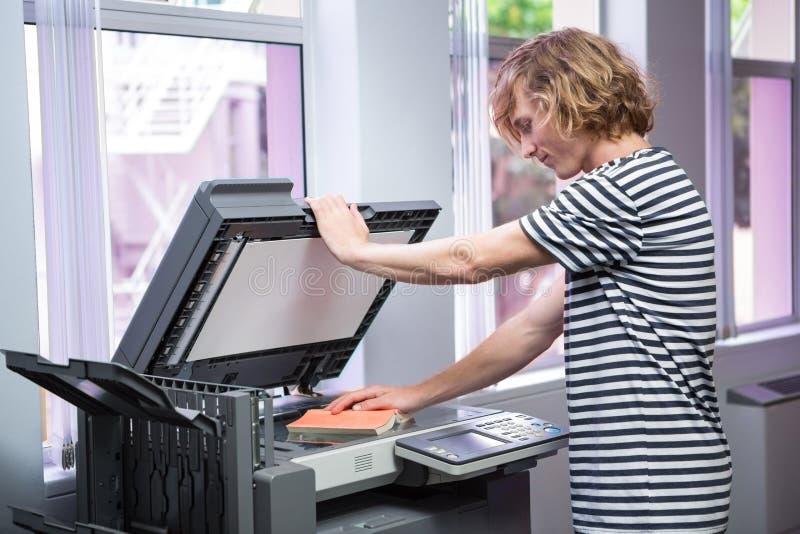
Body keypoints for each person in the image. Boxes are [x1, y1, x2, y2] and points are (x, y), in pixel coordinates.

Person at [306, 27, 731, 534]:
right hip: (653, 478)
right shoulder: (646, 181)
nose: (527, 149)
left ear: (570, 95)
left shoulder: (621, 190)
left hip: (651, 484)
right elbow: (533, 327)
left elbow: (470, 261)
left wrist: (356, 251)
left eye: (529, 124)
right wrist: (415, 394)